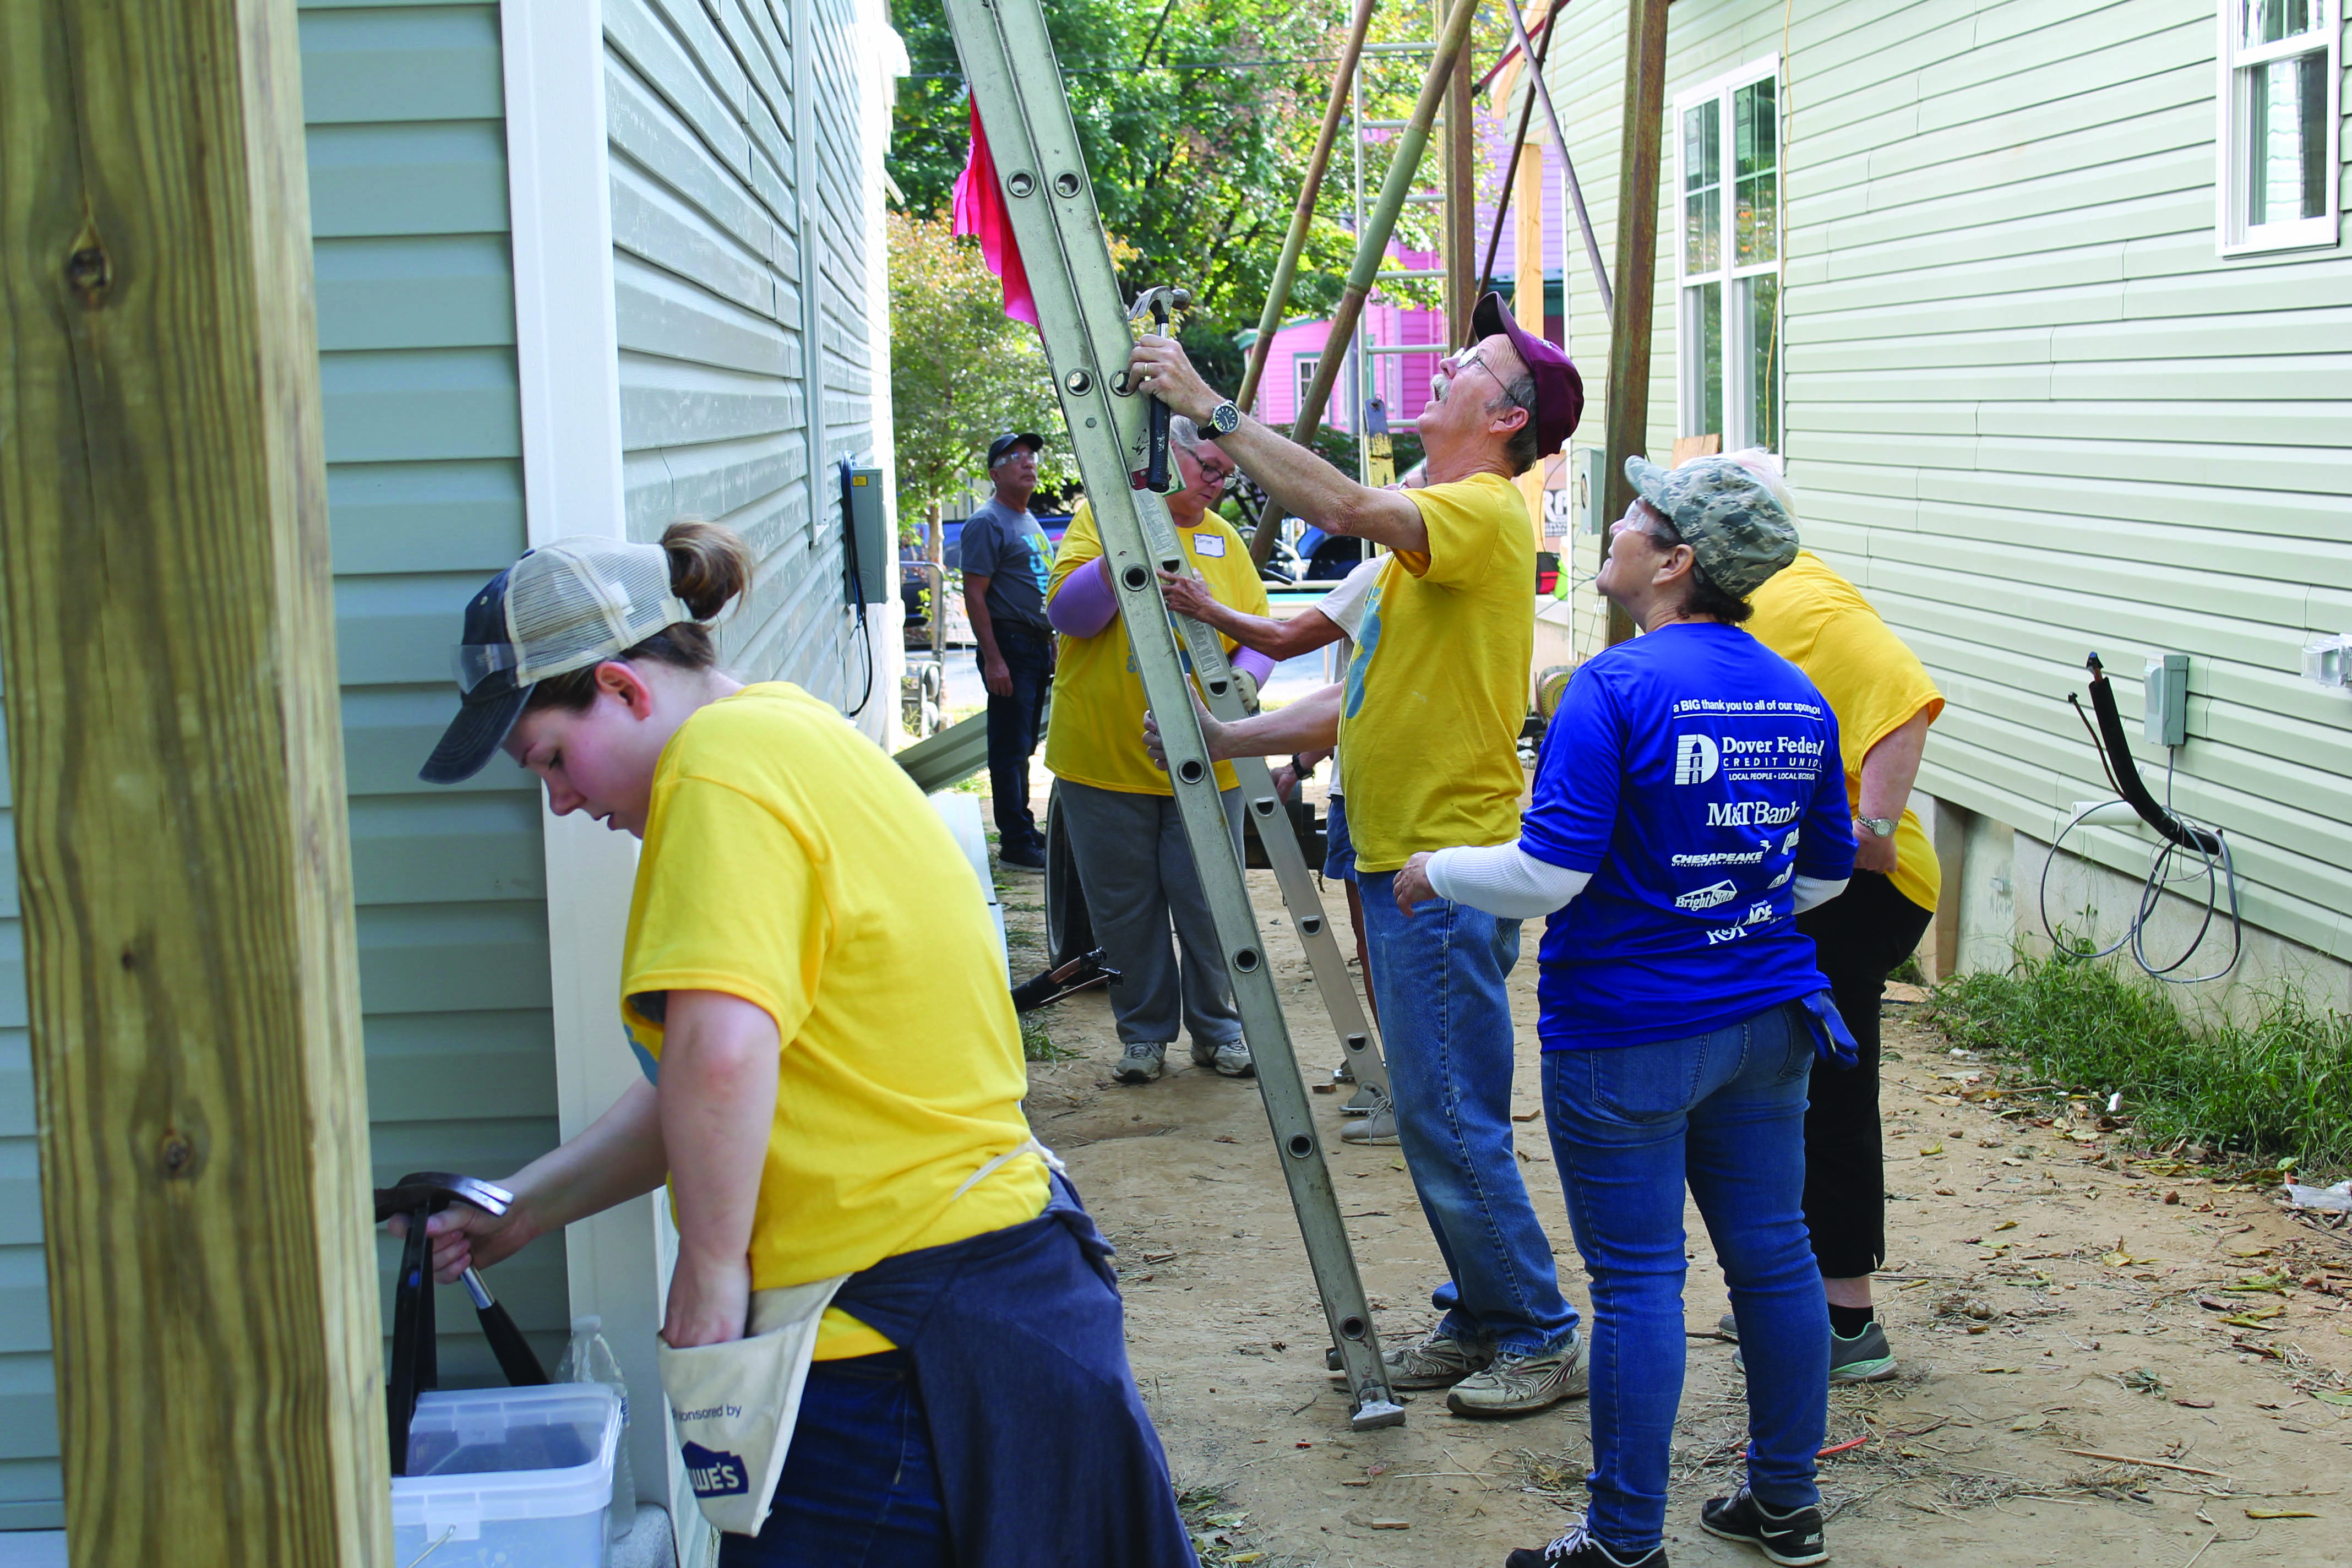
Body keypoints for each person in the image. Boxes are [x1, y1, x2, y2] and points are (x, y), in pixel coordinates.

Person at [405, 524, 1195, 1567]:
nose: (560, 799)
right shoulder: (787, 734)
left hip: (890, 1345)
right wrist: (527, 1207)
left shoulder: (717, 772)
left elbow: (721, 1060)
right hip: (985, 1291)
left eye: (551, 758)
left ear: (623, 688)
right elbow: (711, 1082)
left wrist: (710, 1274)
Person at [1126, 293, 1591, 1419]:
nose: (1445, 364)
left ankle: (1538, 1330)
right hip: (1399, 856)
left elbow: (1334, 500)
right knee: (1435, 1108)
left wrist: (1208, 404)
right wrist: (1229, 737)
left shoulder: (1480, 510)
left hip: (1443, 866)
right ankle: (1480, 1313)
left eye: (1471, 361)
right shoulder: (1419, 547)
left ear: (1508, 417)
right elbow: (1356, 698)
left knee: (1448, 1112)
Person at [1393, 455, 1854, 1568]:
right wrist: (1724, 909)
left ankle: (1622, 1540)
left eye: (1639, 515)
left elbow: (1549, 874)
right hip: (1766, 1014)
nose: (1615, 524)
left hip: (1630, 1027)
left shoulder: (1612, 685)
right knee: (1775, 1255)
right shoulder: (1794, 692)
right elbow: (1827, 873)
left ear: (1676, 560)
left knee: (1641, 1280)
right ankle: (1785, 1502)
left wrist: (1434, 870)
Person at [1722, 447, 1945, 1385]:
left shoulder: (1799, 596)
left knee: (1825, 1088)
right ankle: (1798, 1297)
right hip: (1803, 876)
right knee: (1783, 1086)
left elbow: (1901, 695)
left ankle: (1846, 1320)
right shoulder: (1745, 601)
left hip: (1859, 886)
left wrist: (1874, 828)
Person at [1043, 416, 1275, 1085]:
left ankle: (1218, 1030)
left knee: (1211, 903)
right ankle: (1144, 1034)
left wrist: (1246, 681)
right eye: (1209, 466)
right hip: (1104, 760)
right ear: (1167, 456)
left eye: (1227, 473)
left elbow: (1258, 632)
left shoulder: (1224, 539)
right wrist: (1124, 555)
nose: (1218, 481)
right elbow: (1067, 615)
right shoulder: (1101, 519)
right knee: (1124, 907)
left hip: (1208, 757)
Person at [1160, 554, 1397, 1146]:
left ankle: (1404, 1082)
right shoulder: (1419, 573)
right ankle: (1396, 1067)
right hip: (1381, 782)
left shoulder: (1390, 571)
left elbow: (1287, 640)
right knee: (1389, 946)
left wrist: (1206, 608)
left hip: (1383, 790)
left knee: (1388, 949)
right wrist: (1298, 762)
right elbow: (1354, 693)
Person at [962, 431, 1057, 872]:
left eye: (1031, 456)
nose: (1028, 462)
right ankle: (1015, 844)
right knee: (1009, 747)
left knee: (1024, 746)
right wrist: (994, 659)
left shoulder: (1027, 518)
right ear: (995, 474)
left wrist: (1050, 640)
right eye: (1015, 457)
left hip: (1034, 646)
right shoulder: (988, 522)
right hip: (1009, 646)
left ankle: (1024, 827)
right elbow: (975, 595)